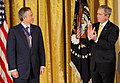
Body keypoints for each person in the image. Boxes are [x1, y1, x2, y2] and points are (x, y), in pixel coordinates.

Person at [6, 7, 45, 83]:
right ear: (24, 18)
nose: (33, 17)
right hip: (20, 71)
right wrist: (13, 69)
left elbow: (41, 48)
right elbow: (10, 52)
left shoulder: (37, 30)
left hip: (34, 70)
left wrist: (42, 65)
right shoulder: (14, 31)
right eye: (31, 15)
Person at [87, 5, 119, 83]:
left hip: (106, 65)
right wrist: (89, 37)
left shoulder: (114, 28)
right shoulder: (94, 26)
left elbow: (109, 45)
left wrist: (96, 39)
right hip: (94, 65)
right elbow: (87, 43)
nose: (97, 16)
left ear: (107, 16)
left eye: (100, 14)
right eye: (97, 13)